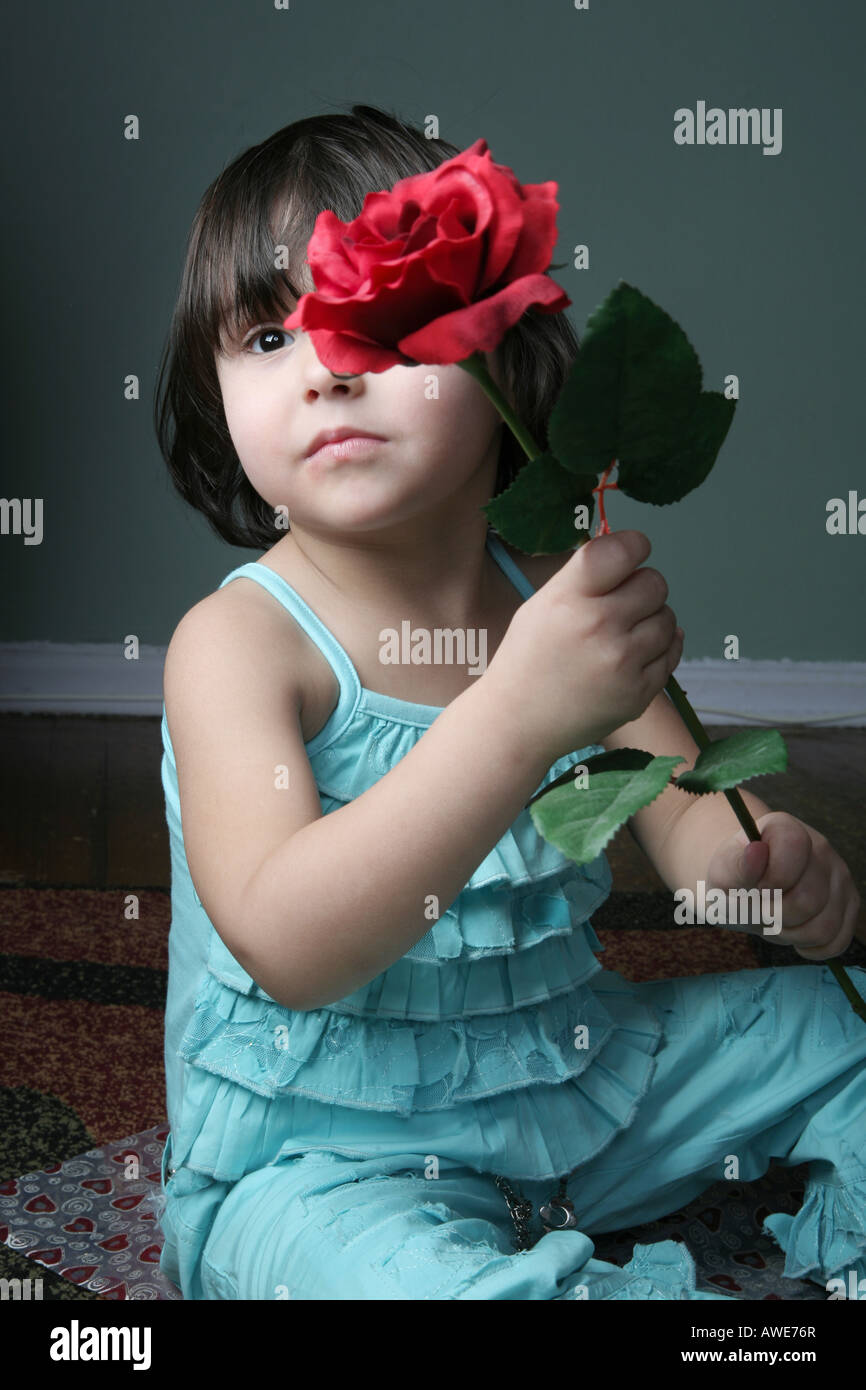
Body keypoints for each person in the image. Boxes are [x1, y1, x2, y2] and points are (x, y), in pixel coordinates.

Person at [149, 104, 866, 1300]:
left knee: (834, 1028)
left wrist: (760, 863)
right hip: (320, 1169)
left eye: (378, 325)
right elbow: (285, 941)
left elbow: (686, 822)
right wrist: (517, 711)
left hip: (578, 1095)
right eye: (267, 338)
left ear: (497, 352)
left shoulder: (555, 589)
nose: (326, 368)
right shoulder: (237, 645)